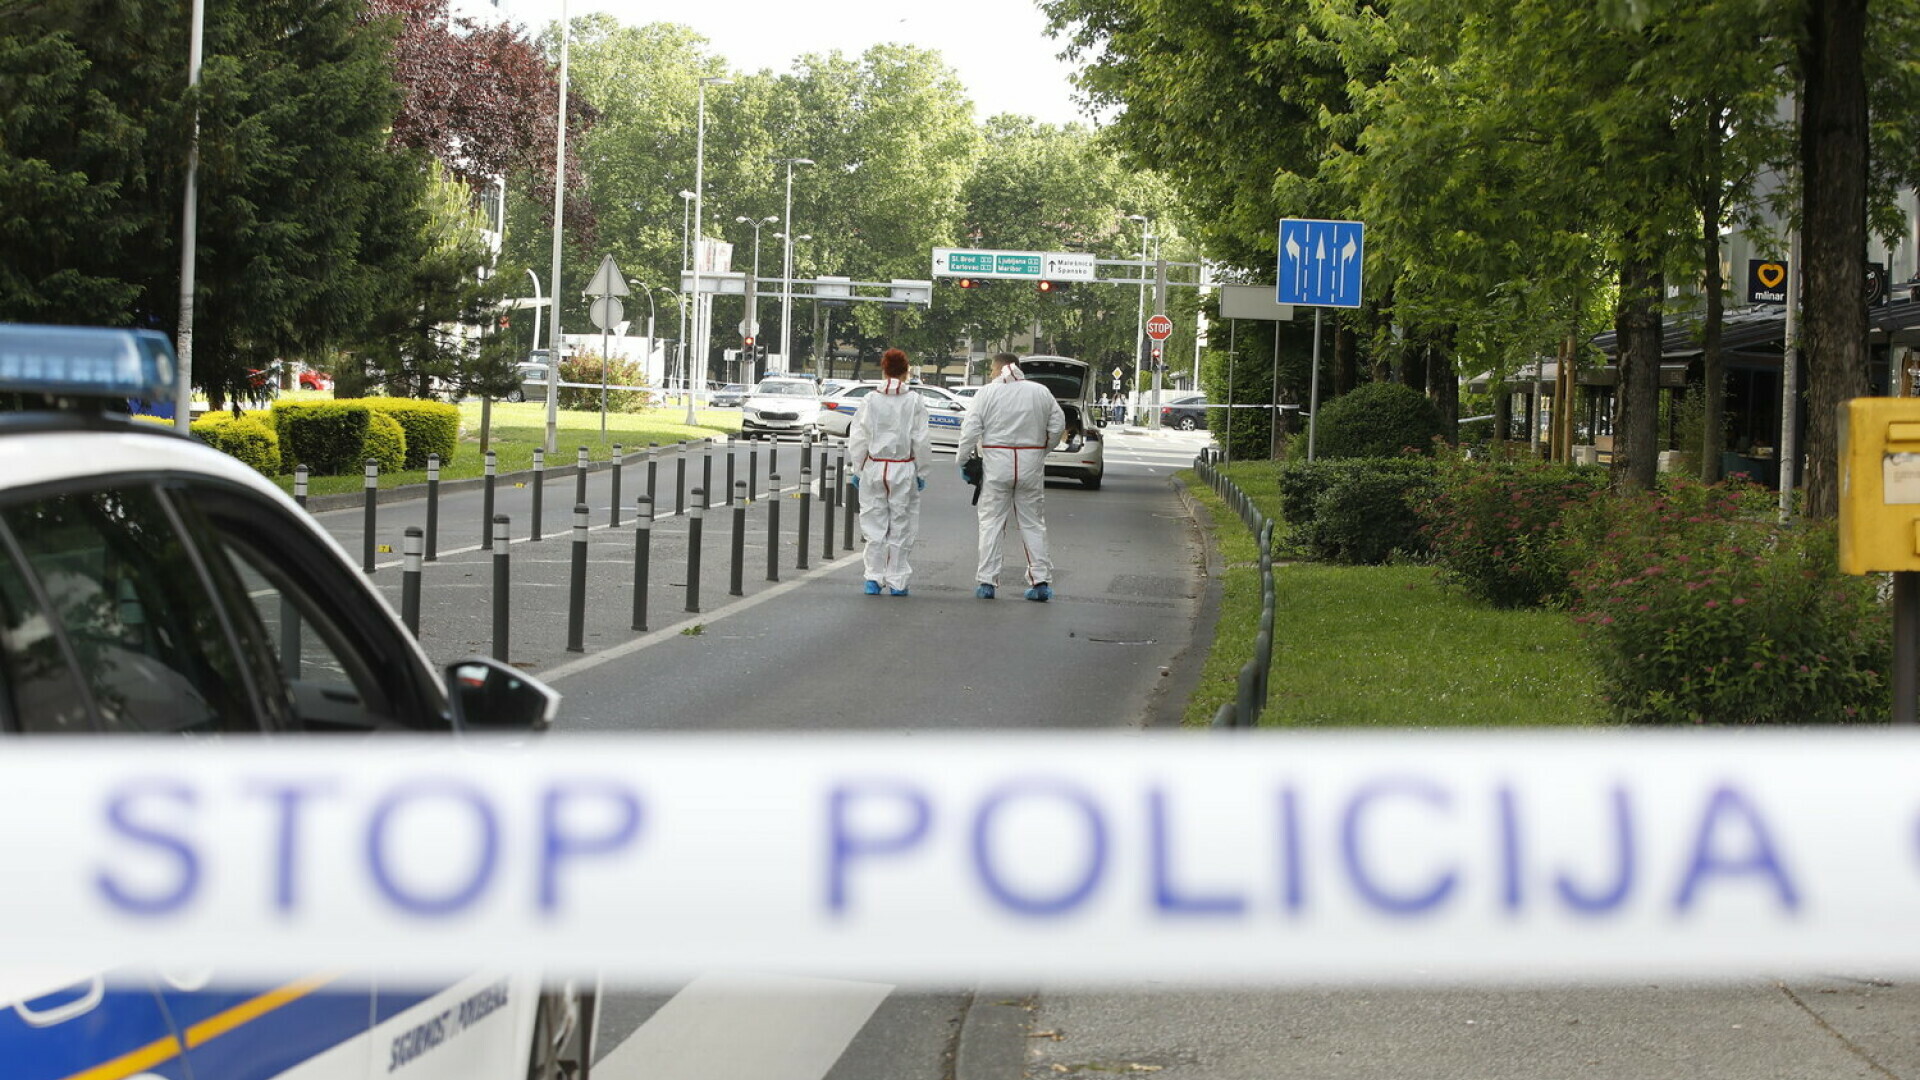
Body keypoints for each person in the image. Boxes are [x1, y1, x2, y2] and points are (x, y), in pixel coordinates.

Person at [956, 352, 1065, 601]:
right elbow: (1058, 424)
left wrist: (962, 461)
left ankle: (987, 581)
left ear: (997, 368)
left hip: (996, 465)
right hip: (1030, 465)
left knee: (991, 523)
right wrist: (1042, 450)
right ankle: (1040, 582)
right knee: (1032, 523)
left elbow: (970, 429)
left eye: (992, 371)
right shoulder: (1040, 392)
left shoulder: (986, 393)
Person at [847, 347, 931, 596]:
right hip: (903, 466)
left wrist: (857, 467)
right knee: (901, 524)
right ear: (906, 372)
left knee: (873, 523)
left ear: (883, 370)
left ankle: (873, 577)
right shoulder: (914, 400)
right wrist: (922, 471)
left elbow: (858, 437)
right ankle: (897, 580)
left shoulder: (870, 399)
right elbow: (921, 439)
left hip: (874, 466)